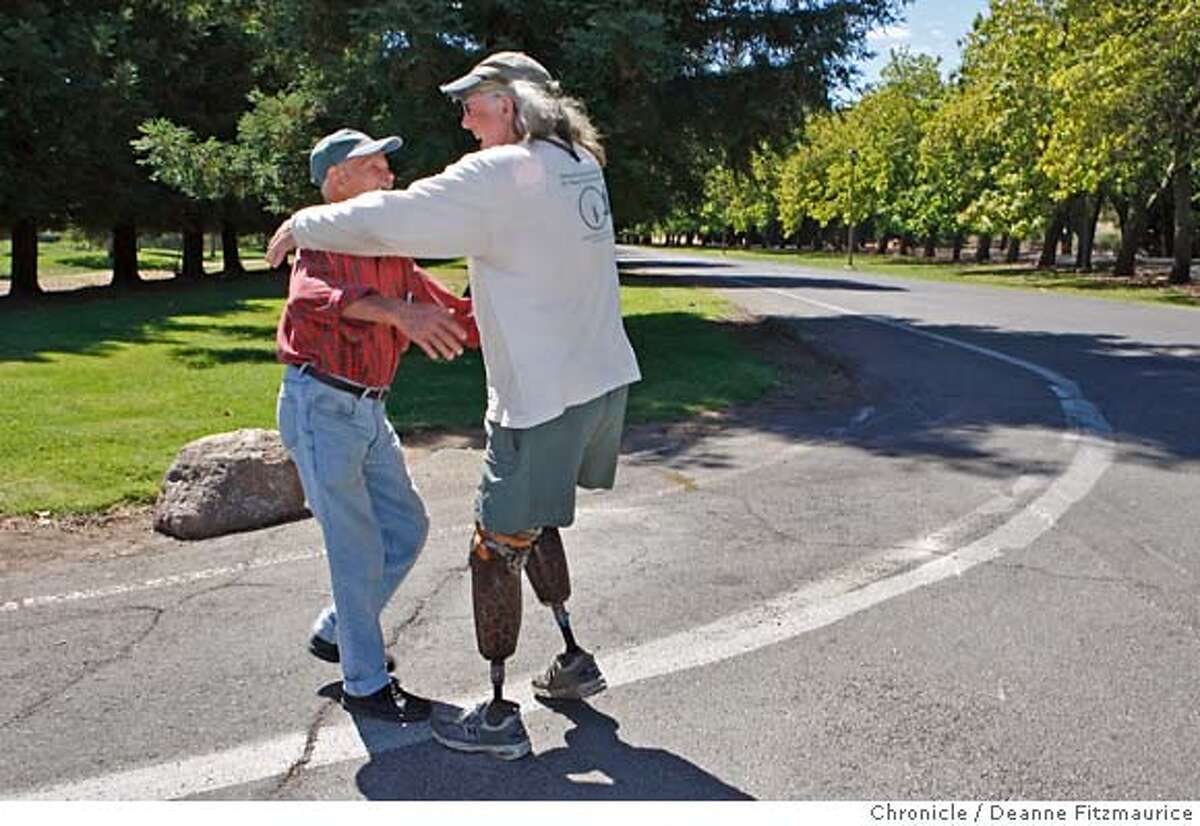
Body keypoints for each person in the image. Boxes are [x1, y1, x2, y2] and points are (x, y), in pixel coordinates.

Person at [266, 52, 641, 761]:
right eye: (373, 161)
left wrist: (308, 221)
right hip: (597, 382)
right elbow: (330, 292)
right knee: (530, 518)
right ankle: (556, 659)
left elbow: (404, 220)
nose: (463, 121)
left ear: (507, 103)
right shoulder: (577, 162)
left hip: (538, 399)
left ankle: (497, 718)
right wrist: (428, 312)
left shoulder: (500, 172)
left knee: (494, 545)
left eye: (472, 105)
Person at [274, 127, 477, 725]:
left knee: (406, 528)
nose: (390, 176)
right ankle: (364, 682)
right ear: (337, 179)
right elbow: (310, 298)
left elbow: (451, 314)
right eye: (375, 167)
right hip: (322, 406)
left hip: (368, 409)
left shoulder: (388, 244)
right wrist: (397, 311)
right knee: (355, 547)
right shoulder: (319, 236)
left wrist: (517, 312)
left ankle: (338, 628)